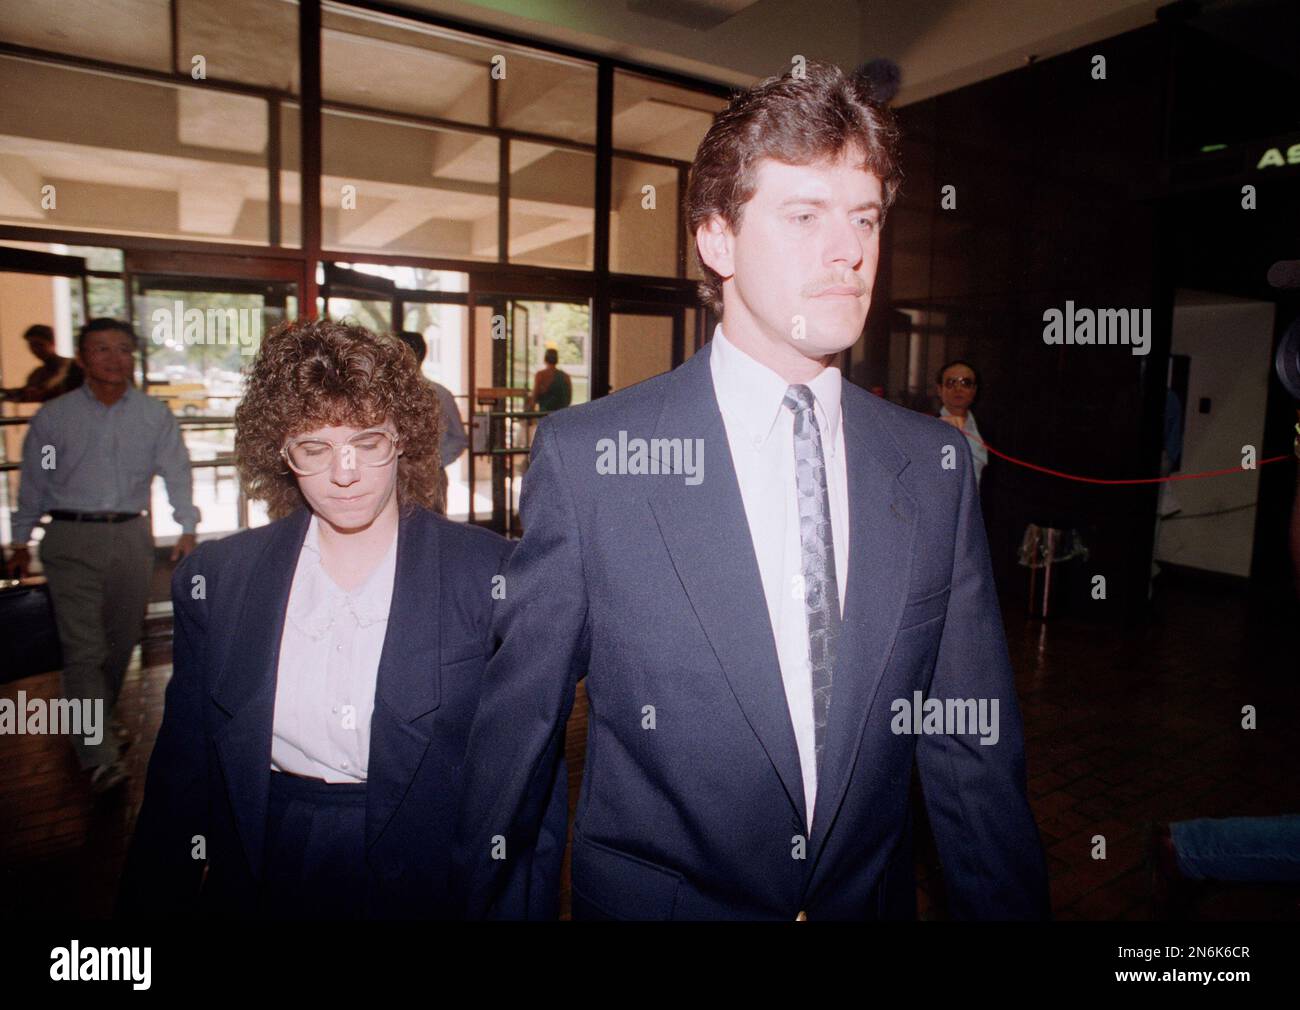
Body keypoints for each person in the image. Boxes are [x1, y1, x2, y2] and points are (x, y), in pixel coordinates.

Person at [453, 62, 1049, 920]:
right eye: (804, 215)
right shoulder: (593, 462)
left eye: (865, 217)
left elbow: (970, 754)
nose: (850, 249)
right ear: (716, 241)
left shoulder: (933, 468)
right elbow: (517, 746)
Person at [116, 318, 563, 918]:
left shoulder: (490, 575)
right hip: (266, 861)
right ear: (281, 451)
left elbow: (527, 784)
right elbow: (182, 775)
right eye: (314, 447)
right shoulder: (222, 580)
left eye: (367, 440)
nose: (344, 471)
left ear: (401, 436)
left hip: (431, 871)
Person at [5, 318, 197, 794]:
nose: (114, 358)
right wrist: (19, 539)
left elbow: (176, 470)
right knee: (83, 650)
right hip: (70, 540)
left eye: (123, 349)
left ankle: (97, 718)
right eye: (102, 349)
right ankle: (98, 754)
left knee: (122, 641)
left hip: (131, 538)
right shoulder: (55, 418)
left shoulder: (153, 416)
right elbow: (36, 480)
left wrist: (188, 525)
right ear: (84, 358)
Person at [395, 330, 468, 470]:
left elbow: (459, 438)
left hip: (430, 479)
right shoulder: (385, 395)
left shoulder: (439, 394)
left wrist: (431, 464)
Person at [935, 359, 988, 487]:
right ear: (939, 389)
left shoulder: (988, 431)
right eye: (951, 382)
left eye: (965, 383)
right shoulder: (927, 427)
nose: (958, 388)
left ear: (974, 390)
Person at [2, 324, 84, 402]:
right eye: (32, 345)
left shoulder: (71, 365)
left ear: (53, 344)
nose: (35, 350)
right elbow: (28, 394)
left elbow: (54, 381)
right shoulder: (38, 373)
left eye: (39, 345)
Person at [530, 347, 571, 413]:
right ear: (557, 360)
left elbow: (534, 397)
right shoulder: (566, 377)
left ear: (545, 359)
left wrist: (530, 414)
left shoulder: (540, 375)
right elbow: (568, 400)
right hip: (562, 415)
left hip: (545, 415)